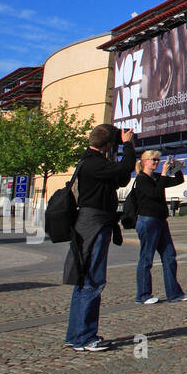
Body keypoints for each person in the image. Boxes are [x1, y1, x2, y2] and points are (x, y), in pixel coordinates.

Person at [63, 124, 136, 351]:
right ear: (108, 145)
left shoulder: (92, 163)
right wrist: (128, 145)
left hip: (91, 222)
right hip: (94, 224)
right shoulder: (94, 163)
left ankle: (75, 334)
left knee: (85, 280)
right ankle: (85, 337)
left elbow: (121, 178)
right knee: (93, 280)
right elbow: (125, 166)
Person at [132, 152, 187, 304]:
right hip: (147, 220)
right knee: (146, 258)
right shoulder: (142, 179)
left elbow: (178, 180)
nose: (156, 162)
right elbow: (154, 193)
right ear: (145, 161)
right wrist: (164, 174)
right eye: (154, 160)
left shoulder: (157, 177)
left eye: (158, 160)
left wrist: (176, 168)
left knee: (169, 256)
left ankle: (174, 293)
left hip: (160, 220)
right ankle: (143, 295)